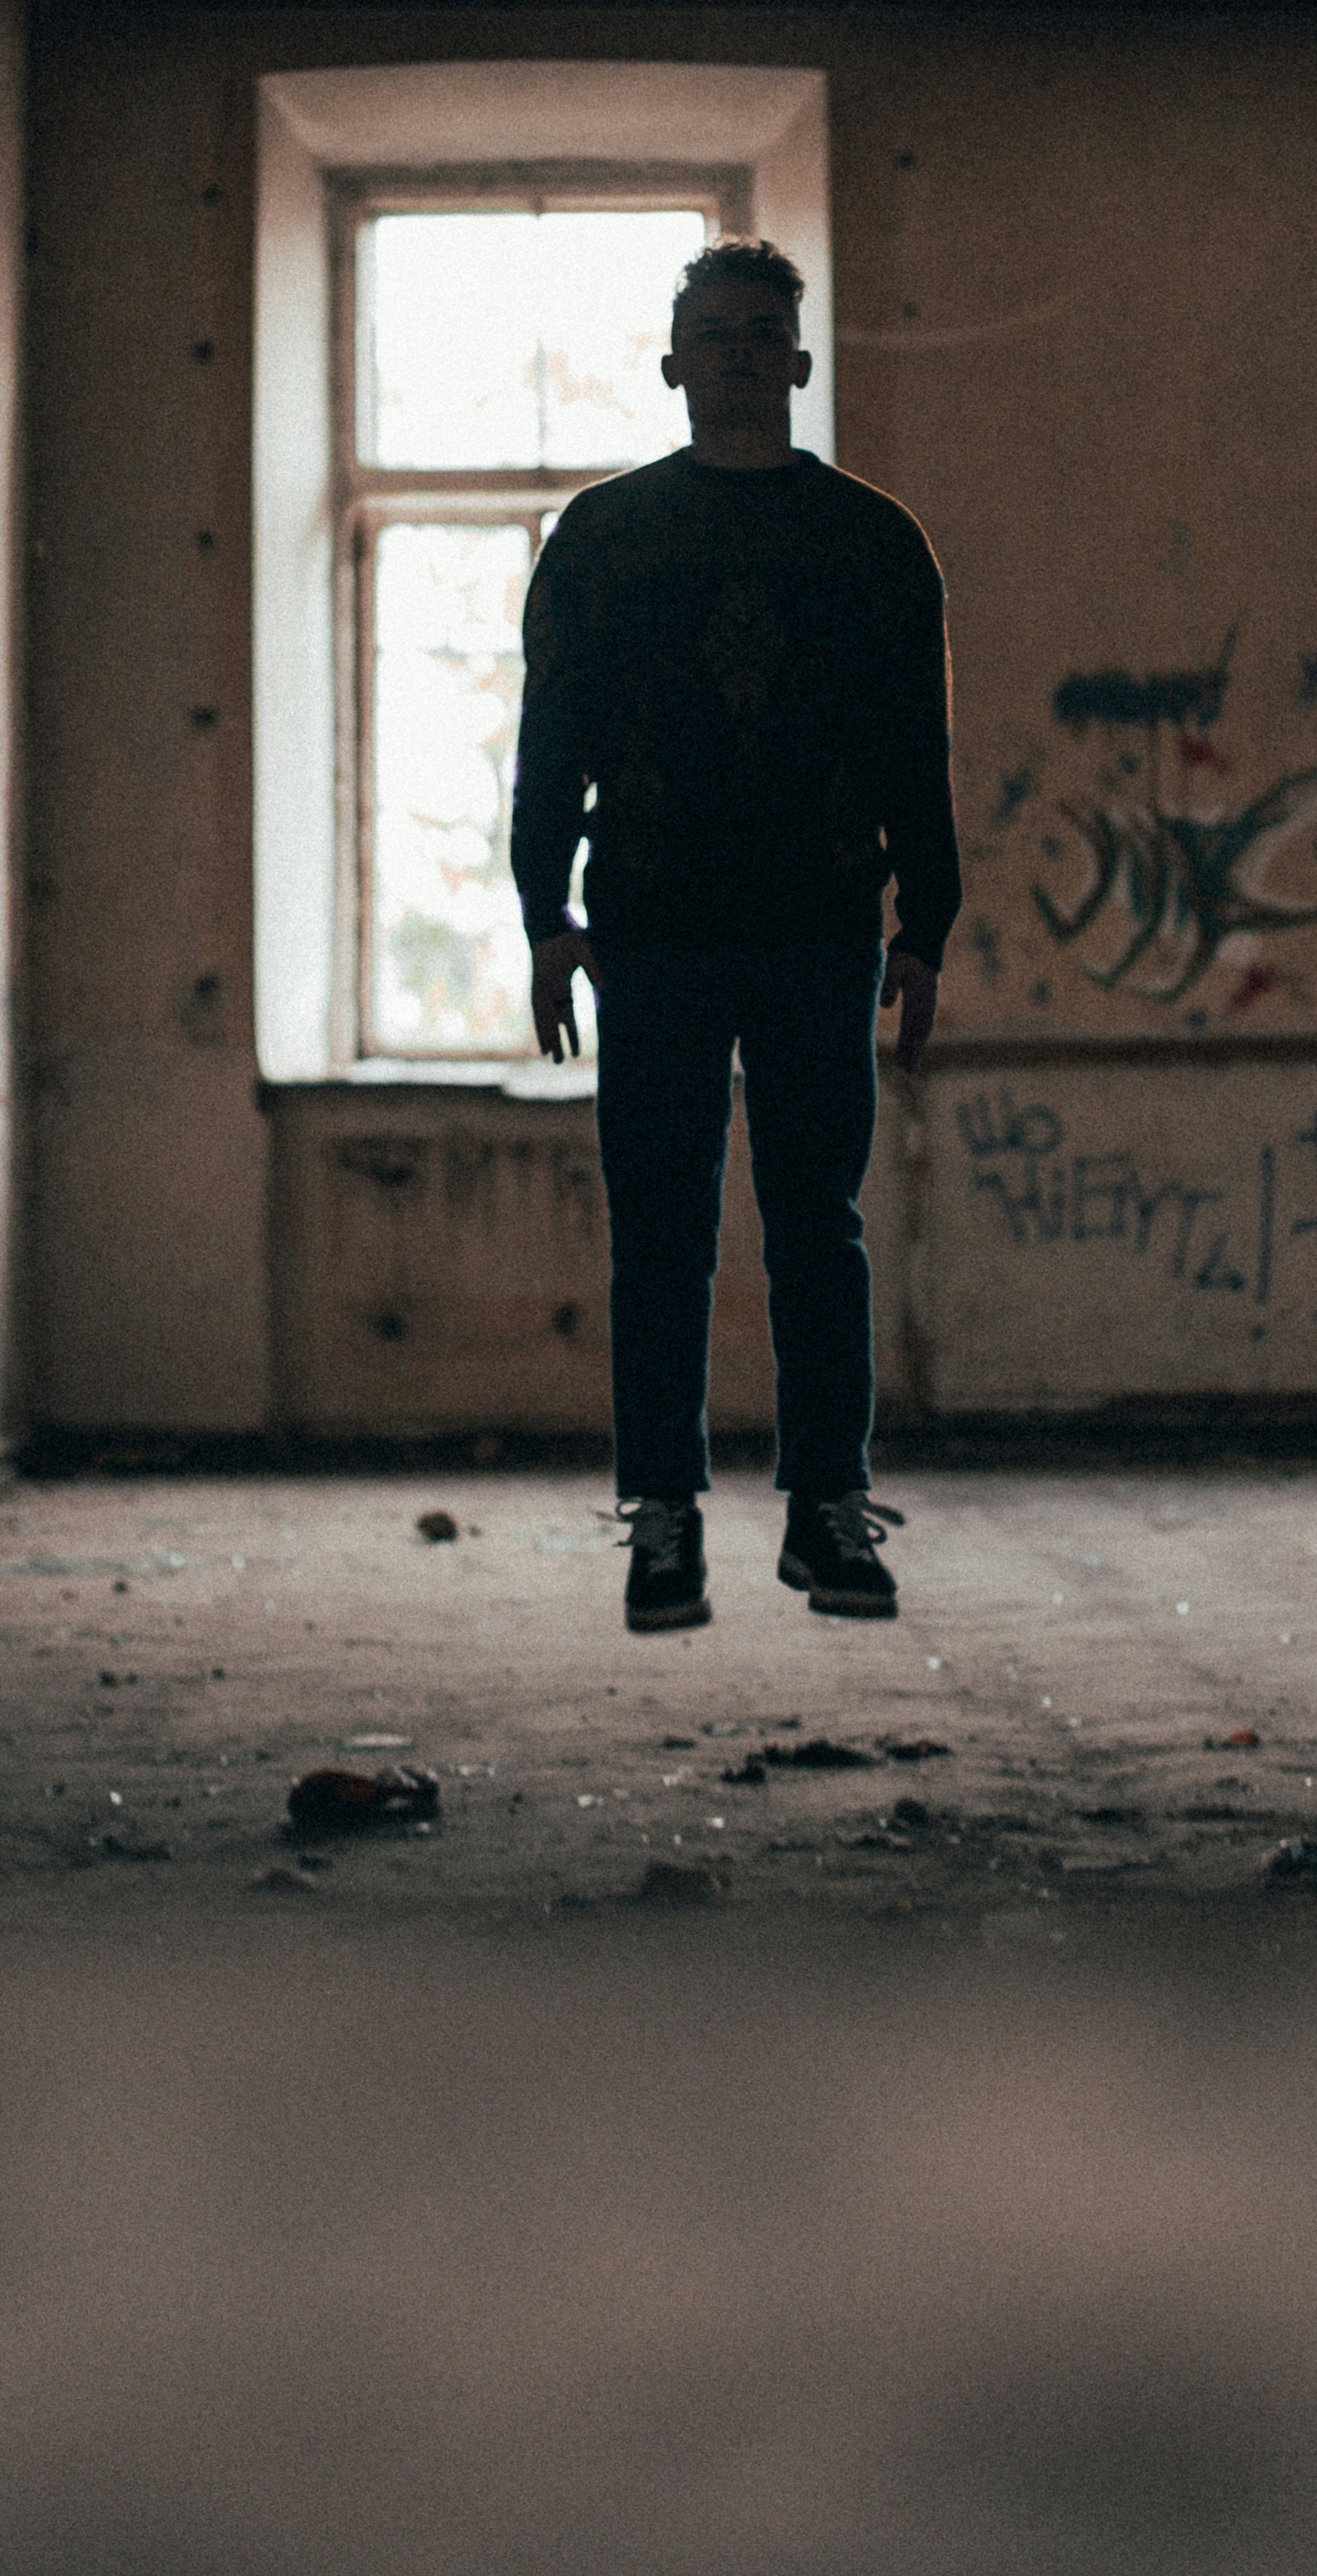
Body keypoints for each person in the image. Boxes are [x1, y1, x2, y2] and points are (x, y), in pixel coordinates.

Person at [511, 238, 961, 1633]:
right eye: (713, 330)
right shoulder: (603, 535)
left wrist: (925, 923)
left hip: (820, 927)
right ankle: (664, 1519)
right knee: (662, 1231)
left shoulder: (873, 542)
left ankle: (827, 1510)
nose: (737, 351)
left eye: (761, 330)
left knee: (815, 1229)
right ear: (672, 360)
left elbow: (915, 748)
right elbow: (551, 741)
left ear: (798, 359)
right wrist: (545, 915)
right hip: (650, 927)